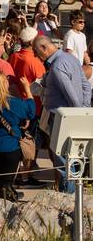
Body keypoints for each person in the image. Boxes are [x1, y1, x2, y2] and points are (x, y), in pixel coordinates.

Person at [33, 34, 93, 193]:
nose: (36, 56)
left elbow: (72, 96)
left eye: (36, 51)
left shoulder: (58, 66)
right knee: (72, 161)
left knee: (64, 164)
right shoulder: (70, 58)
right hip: (70, 116)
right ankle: (73, 198)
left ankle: (69, 199)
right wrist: (84, 111)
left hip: (61, 119)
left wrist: (79, 114)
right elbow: (86, 87)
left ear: (44, 48)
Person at [0, 71, 37, 200]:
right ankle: (8, 199)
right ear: (3, 84)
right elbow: (31, 112)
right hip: (9, 148)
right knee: (5, 183)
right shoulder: (14, 103)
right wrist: (27, 90)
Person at [12, 26, 47, 186]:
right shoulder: (34, 61)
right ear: (32, 42)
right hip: (32, 107)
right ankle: (25, 177)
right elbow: (42, 85)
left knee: (19, 141)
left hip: (15, 104)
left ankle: (21, 174)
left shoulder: (14, 56)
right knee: (29, 144)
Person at [64, 10, 92, 77]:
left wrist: (90, 67)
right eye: (80, 22)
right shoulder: (70, 35)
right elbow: (68, 54)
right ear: (73, 22)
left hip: (80, 68)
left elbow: (85, 54)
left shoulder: (83, 35)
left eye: (84, 22)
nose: (83, 24)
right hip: (71, 68)